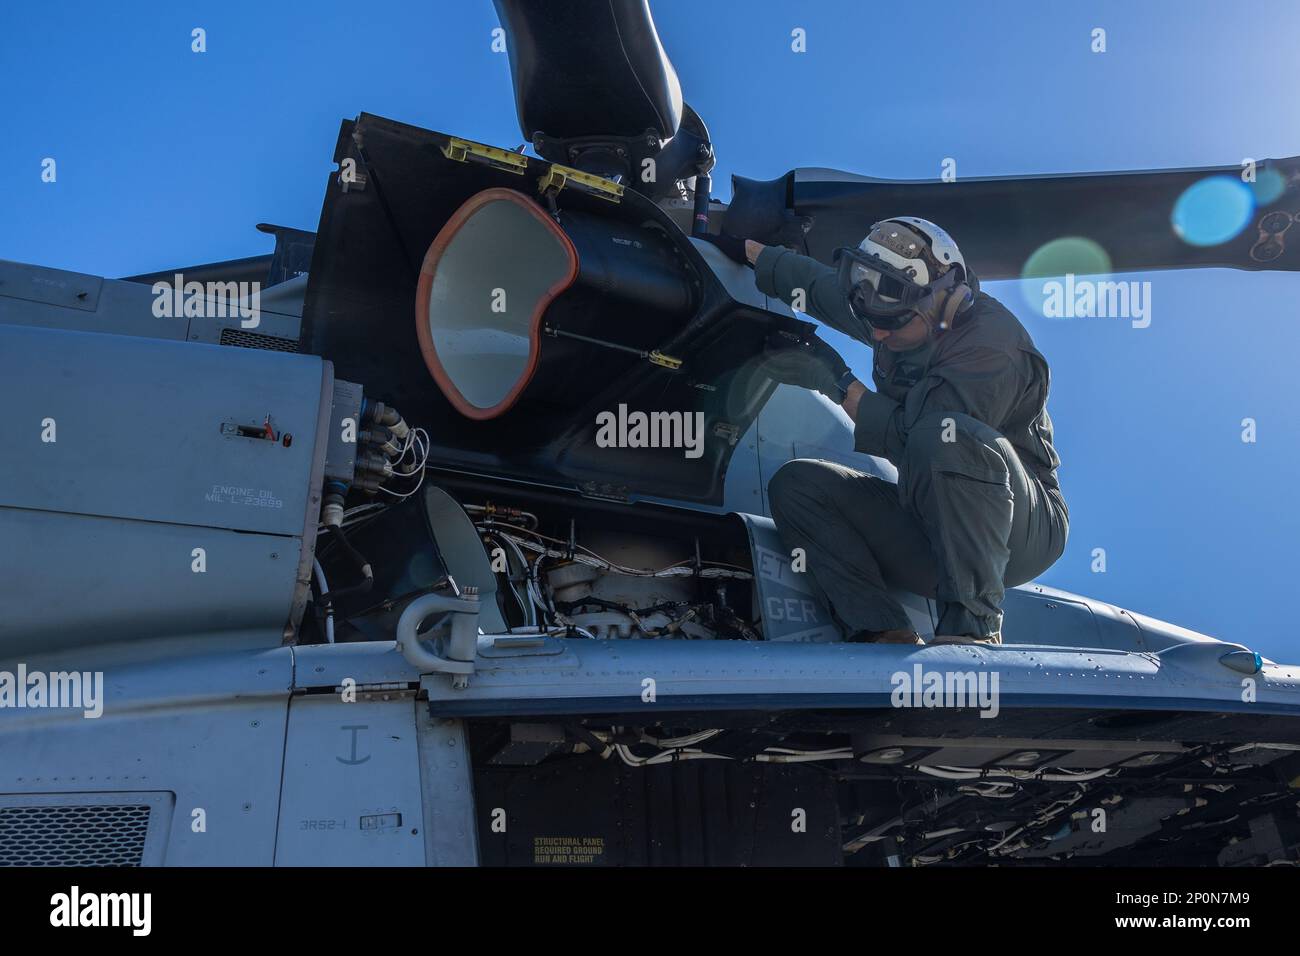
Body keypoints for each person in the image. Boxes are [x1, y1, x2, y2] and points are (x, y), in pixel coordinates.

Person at [707, 217, 1068, 645]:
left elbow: (923, 442)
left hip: (1017, 529)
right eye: (869, 319)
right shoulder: (891, 304)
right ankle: (883, 634)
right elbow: (818, 287)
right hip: (929, 526)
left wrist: (839, 382)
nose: (876, 333)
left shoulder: (993, 348)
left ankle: (972, 633)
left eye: (889, 326)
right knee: (797, 485)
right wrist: (746, 251)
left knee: (947, 435)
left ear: (942, 306)